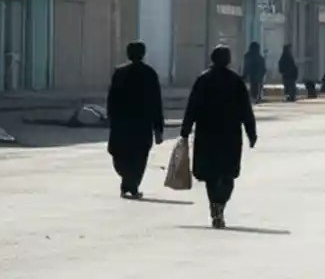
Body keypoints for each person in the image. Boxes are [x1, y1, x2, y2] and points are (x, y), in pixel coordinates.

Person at [180, 45, 257, 229]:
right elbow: (246, 110)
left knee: (212, 174)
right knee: (227, 173)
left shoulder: (204, 80)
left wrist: (186, 129)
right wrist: (251, 132)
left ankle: (215, 205)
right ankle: (219, 205)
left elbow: (192, 107)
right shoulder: (235, 81)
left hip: (208, 134)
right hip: (229, 135)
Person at [106, 41, 165, 199]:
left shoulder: (119, 73)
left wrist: (110, 118)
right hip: (141, 124)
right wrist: (158, 128)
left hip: (122, 124)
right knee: (139, 157)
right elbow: (156, 102)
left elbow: (111, 99)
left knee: (121, 155)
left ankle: (129, 184)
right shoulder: (149, 73)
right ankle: (130, 184)